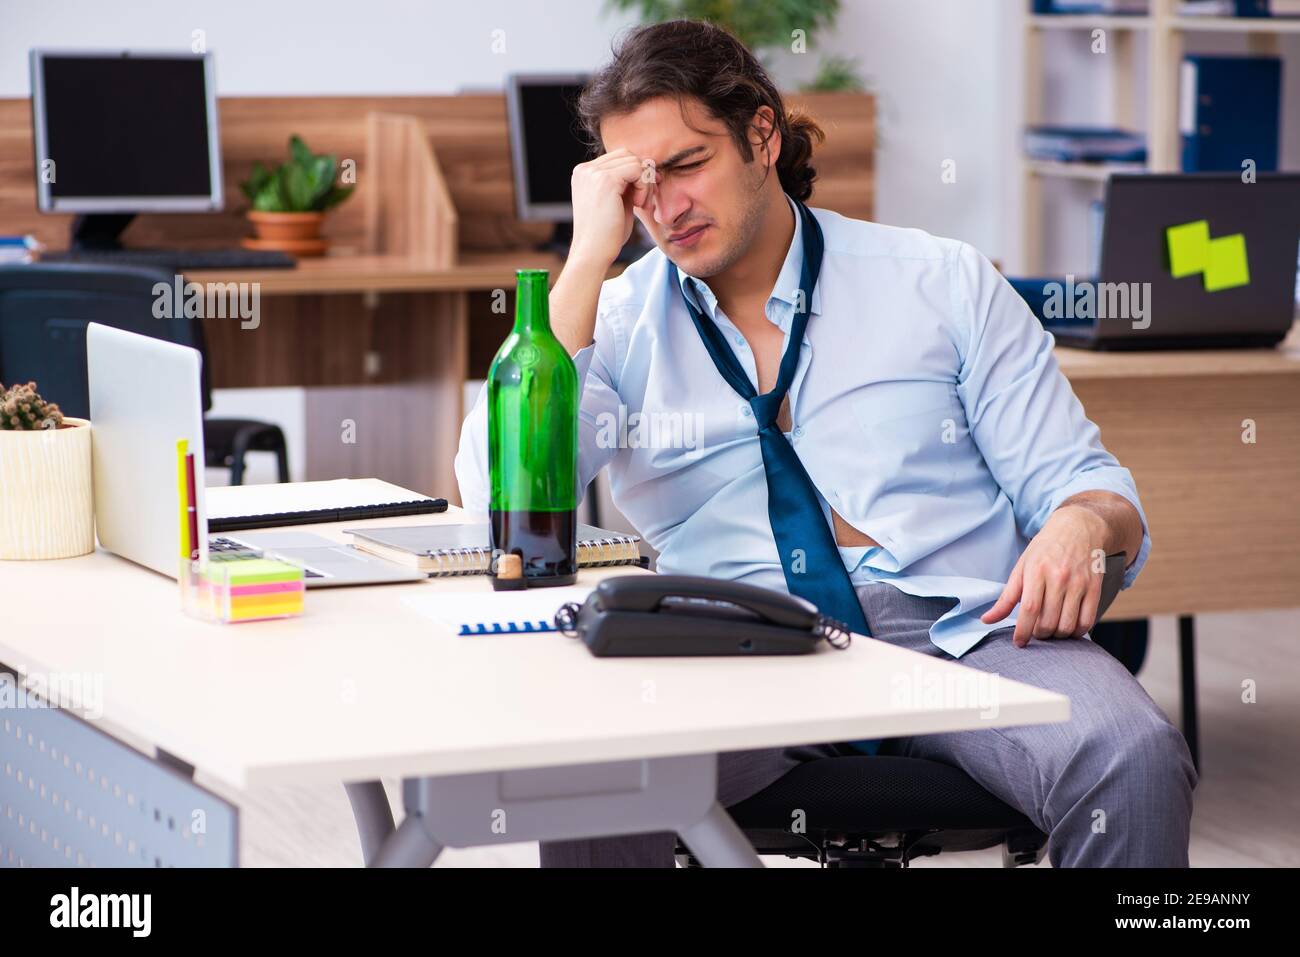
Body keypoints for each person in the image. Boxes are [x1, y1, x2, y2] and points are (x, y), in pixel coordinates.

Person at [455, 19, 1196, 867]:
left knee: (1131, 755)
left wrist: (1083, 525)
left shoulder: (940, 280)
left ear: (761, 137)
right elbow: (497, 496)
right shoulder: (616, 319)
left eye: (689, 165)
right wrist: (588, 257)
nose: (666, 207)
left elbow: (1086, 484)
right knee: (594, 771)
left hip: (967, 631)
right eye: (638, 184)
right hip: (731, 644)